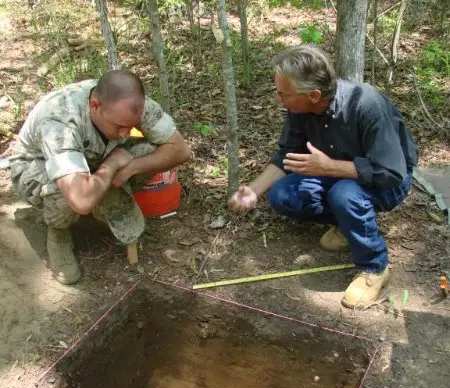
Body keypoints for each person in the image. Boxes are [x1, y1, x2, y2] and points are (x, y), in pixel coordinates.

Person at [229, 45, 418, 309]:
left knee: (345, 194)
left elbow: (392, 173)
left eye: (284, 94)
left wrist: (329, 167)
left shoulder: (367, 105)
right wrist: (252, 190)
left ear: (314, 95)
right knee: (282, 196)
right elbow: (288, 154)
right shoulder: (300, 109)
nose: (278, 99)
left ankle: (375, 267)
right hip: (335, 172)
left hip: (386, 181)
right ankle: (346, 223)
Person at [10, 70, 190, 285]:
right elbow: (80, 200)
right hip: (36, 168)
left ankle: (102, 202)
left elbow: (180, 150)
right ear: (95, 105)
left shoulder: (131, 102)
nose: (126, 133)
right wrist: (112, 165)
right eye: (119, 126)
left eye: (132, 126)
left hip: (94, 161)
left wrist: (130, 168)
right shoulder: (60, 122)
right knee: (64, 193)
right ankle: (58, 232)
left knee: (150, 150)